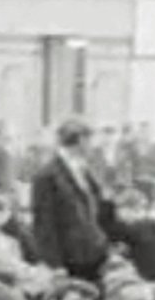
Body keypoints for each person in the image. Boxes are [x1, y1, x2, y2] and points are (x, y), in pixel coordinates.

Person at [31, 118, 111, 282]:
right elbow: (43, 224)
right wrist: (55, 264)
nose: (92, 146)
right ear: (81, 140)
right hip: (70, 260)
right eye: (90, 141)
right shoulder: (47, 176)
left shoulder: (83, 169)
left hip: (94, 255)